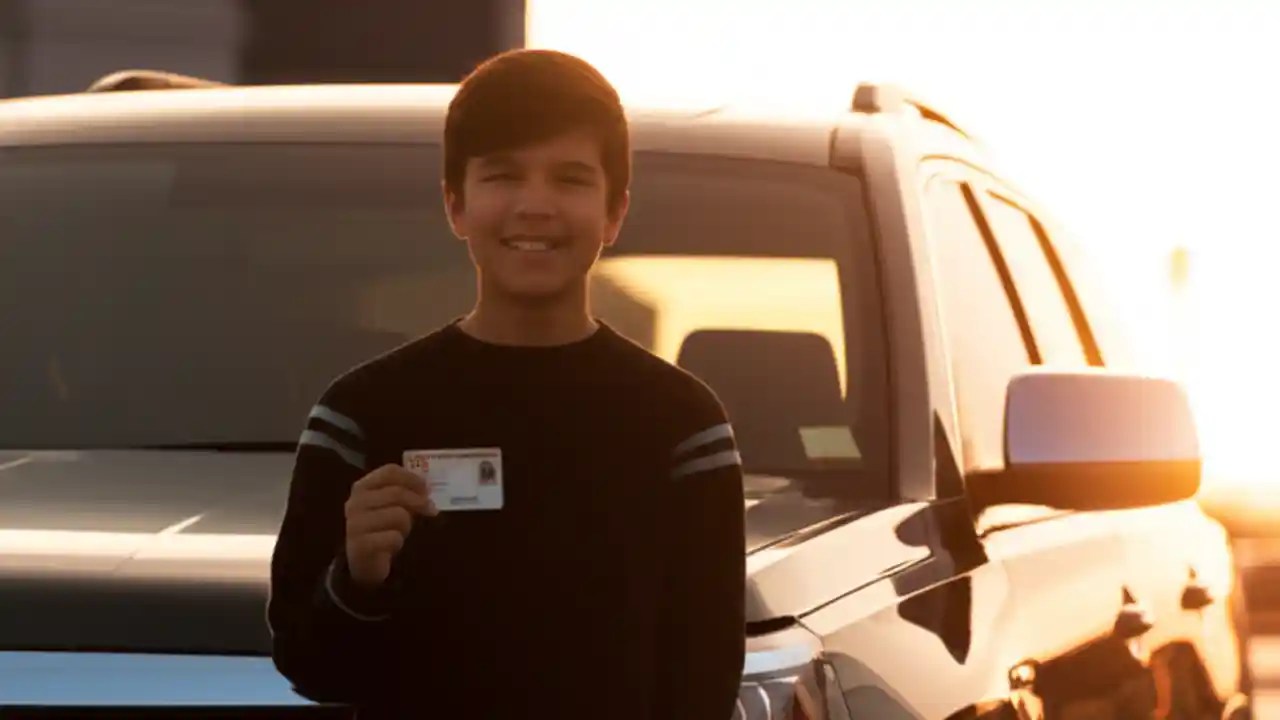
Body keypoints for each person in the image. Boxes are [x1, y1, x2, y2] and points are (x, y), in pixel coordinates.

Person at [267, 48, 746, 719]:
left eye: (570, 179)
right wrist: (357, 577)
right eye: (503, 176)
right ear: (456, 205)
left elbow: (705, 679)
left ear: (614, 212)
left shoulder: (683, 428)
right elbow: (308, 665)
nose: (535, 206)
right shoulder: (360, 418)